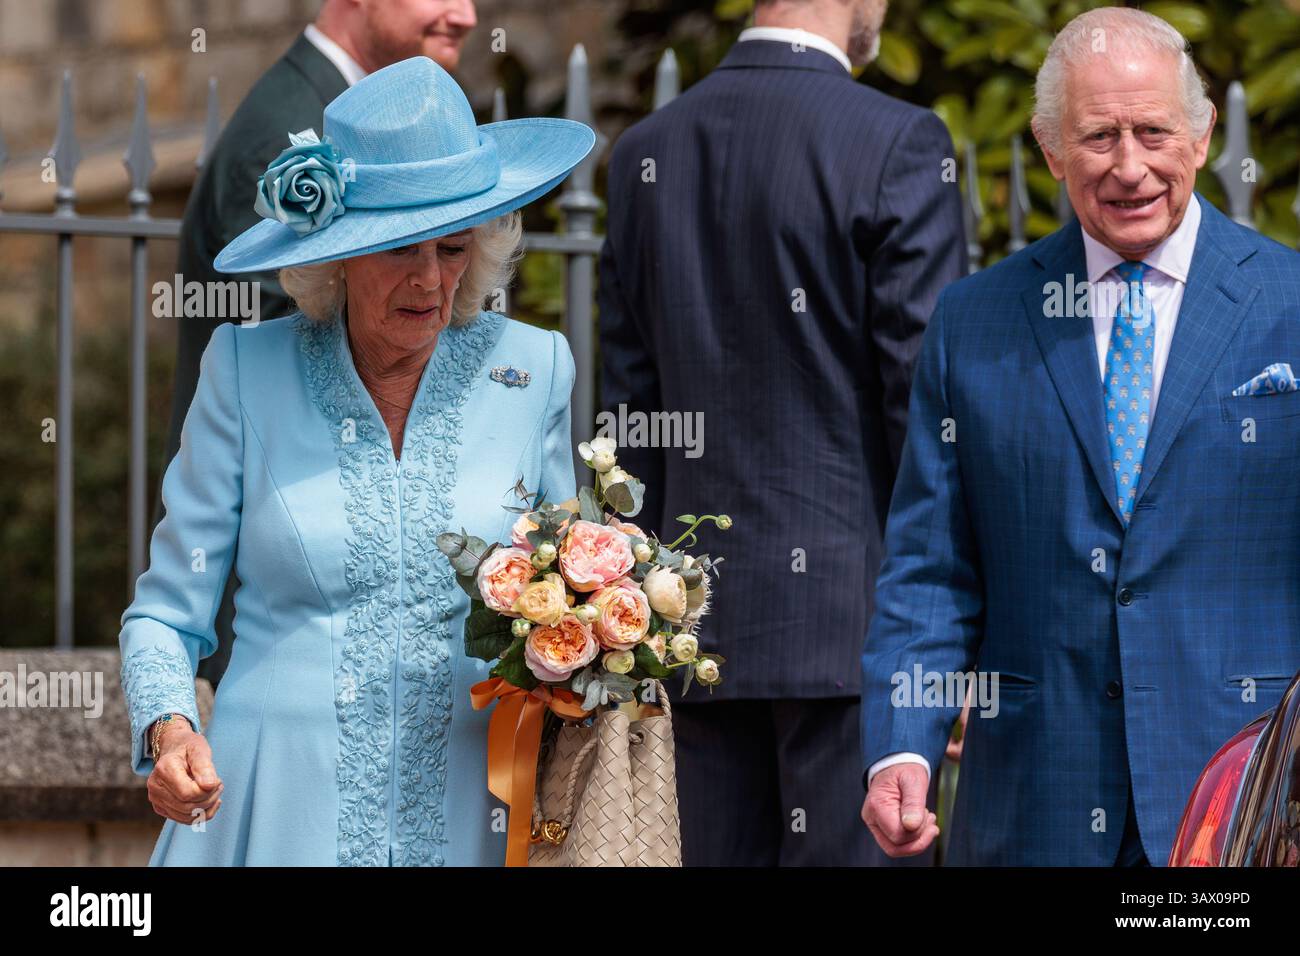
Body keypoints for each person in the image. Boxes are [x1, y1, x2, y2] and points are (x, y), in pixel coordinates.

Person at [119, 56, 594, 865]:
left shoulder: (534, 369)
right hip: (272, 809)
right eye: (400, 250)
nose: (430, 280)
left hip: (472, 808)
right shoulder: (245, 372)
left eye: (452, 249)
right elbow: (166, 613)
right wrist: (169, 731)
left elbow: (572, 593)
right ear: (338, 251)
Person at [860, 6, 1300, 866]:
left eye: (1152, 132)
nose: (1130, 167)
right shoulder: (975, 320)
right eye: (1099, 137)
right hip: (1037, 802)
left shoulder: (1292, 305)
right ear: (1051, 149)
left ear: (1204, 137)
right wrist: (901, 745)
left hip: (1248, 800)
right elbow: (930, 567)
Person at [599, 0, 965, 865]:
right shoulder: (899, 140)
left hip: (688, 636)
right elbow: (923, 411)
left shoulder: (648, 150)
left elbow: (632, 420)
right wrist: (950, 634)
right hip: (859, 639)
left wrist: (633, 621)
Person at [160, 0, 479, 690]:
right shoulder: (284, 132)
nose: (467, 14)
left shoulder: (329, 110)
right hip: (289, 619)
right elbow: (309, 380)